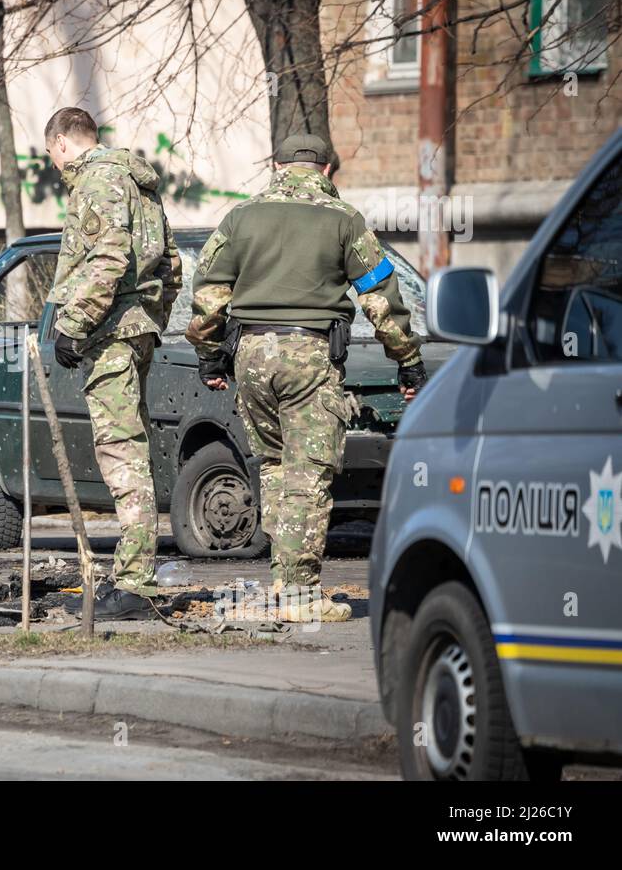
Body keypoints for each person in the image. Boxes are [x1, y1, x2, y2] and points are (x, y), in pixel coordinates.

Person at [186, 133, 427, 622]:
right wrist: (407, 360)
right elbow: (379, 297)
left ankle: (284, 582)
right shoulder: (343, 219)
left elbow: (209, 291)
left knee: (276, 469)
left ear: (276, 166)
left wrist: (211, 355)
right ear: (327, 170)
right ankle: (300, 594)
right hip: (308, 355)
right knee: (308, 473)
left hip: (250, 355)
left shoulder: (240, 216)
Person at [44, 107, 182, 620]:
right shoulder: (139, 182)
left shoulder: (97, 182)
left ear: (61, 143)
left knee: (122, 454)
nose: (56, 167)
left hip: (110, 335)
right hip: (136, 329)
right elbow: (170, 264)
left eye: (53, 155)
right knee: (133, 449)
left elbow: (107, 259)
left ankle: (132, 582)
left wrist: (74, 324)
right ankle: (135, 573)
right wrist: (152, 318)